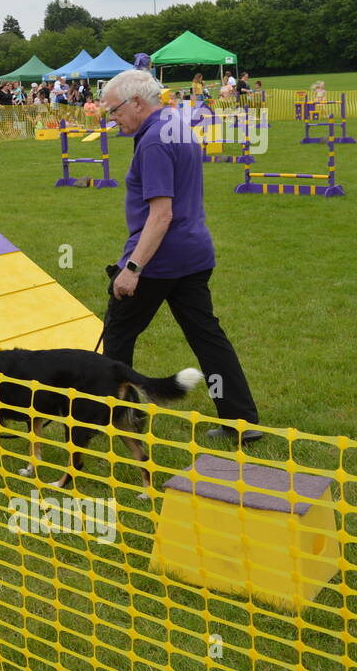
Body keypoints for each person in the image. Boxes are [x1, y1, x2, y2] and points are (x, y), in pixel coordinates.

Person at [97, 69, 261, 445]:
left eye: (115, 110)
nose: (112, 118)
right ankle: (241, 420)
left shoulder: (153, 141)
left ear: (137, 102)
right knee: (208, 338)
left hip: (158, 260)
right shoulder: (176, 122)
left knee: (119, 334)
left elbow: (161, 214)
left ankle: (123, 417)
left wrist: (132, 269)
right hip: (194, 254)